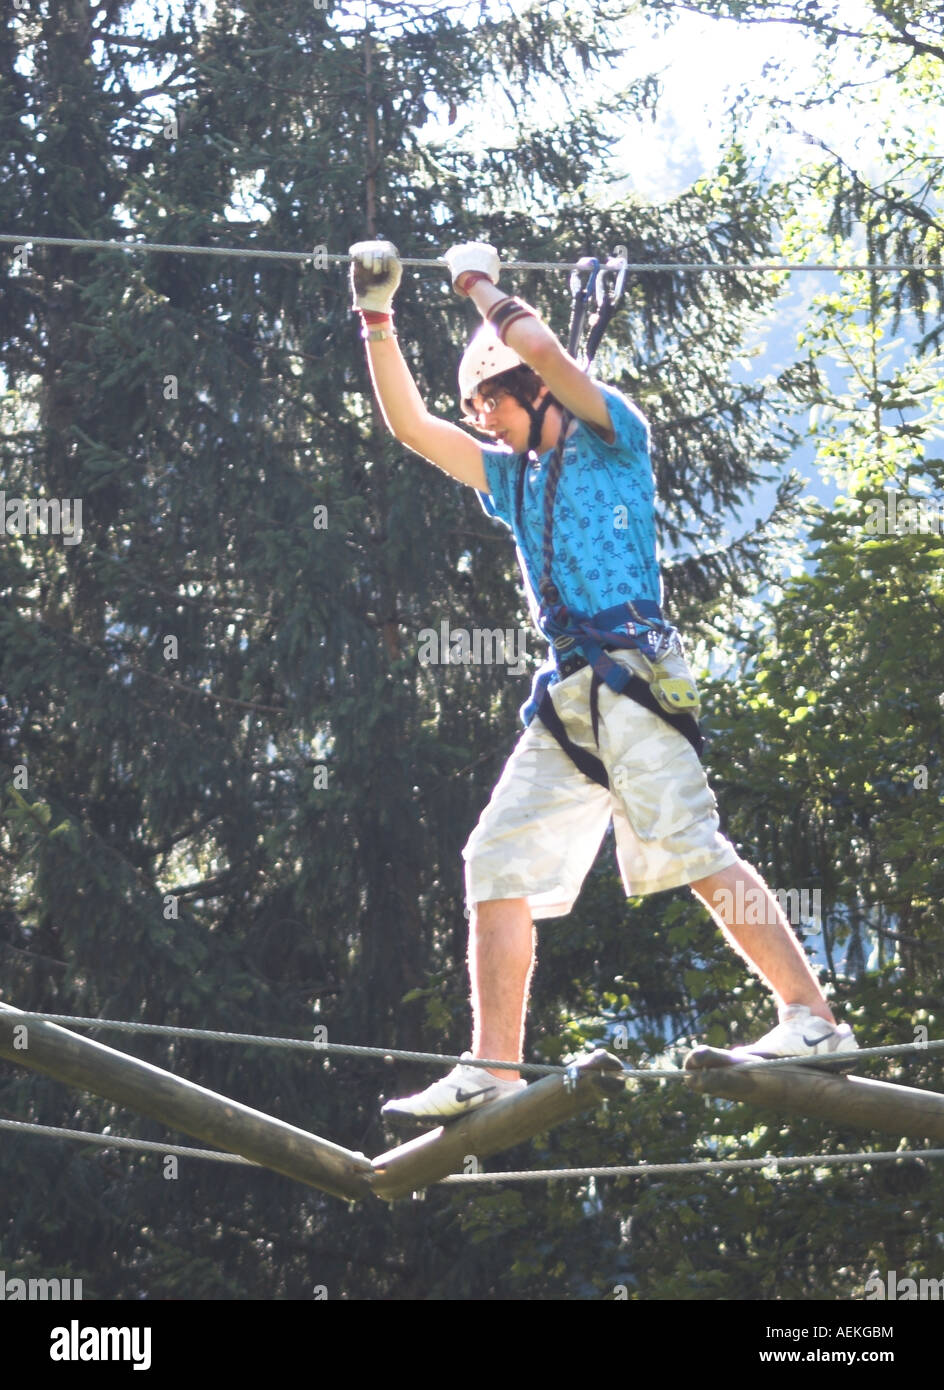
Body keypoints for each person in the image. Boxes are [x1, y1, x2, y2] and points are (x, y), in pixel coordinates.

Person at [348, 238, 857, 1124]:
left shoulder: (616, 439)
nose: (482, 425)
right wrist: (376, 318)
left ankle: (812, 1021)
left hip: (635, 677)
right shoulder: (512, 482)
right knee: (493, 861)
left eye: (491, 406)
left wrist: (477, 285)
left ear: (531, 392)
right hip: (570, 699)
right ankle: (492, 1068)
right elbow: (410, 429)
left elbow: (543, 350)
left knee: (695, 851)